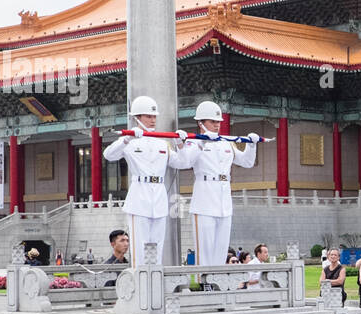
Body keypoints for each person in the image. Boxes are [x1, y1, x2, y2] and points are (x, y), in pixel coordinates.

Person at [167, 100, 259, 266]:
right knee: (205, 250)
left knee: (221, 250)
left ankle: (219, 283)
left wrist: (251, 146)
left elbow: (246, 162)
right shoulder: (193, 141)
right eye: (213, 121)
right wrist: (202, 142)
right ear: (201, 123)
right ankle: (205, 284)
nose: (217, 125)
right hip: (204, 201)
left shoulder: (226, 141)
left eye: (218, 121)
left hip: (224, 201)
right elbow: (185, 161)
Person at [102, 95, 182, 266]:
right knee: (140, 245)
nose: (153, 120)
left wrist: (181, 144)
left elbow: (182, 163)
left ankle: (153, 279)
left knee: (156, 245)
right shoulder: (130, 140)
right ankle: (140, 281)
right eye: (148, 116)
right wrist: (127, 138)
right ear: (137, 117)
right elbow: (108, 155)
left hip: (158, 196)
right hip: (140, 197)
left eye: (154, 116)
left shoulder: (162, 143)